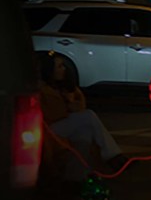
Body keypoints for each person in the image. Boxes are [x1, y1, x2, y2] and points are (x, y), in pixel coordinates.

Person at [39, 51, 126, 181]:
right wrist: (69, 104)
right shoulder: (43, 89)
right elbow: (54, 114)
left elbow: (80, 104)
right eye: (59, 67)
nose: (63, 69)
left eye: (63, 66)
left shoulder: (65, 85)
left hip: (65, 124)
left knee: (85, 132)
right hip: (50, 130)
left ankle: (76, 176)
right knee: (88, 116)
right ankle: (113, 156)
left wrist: (71, 103)